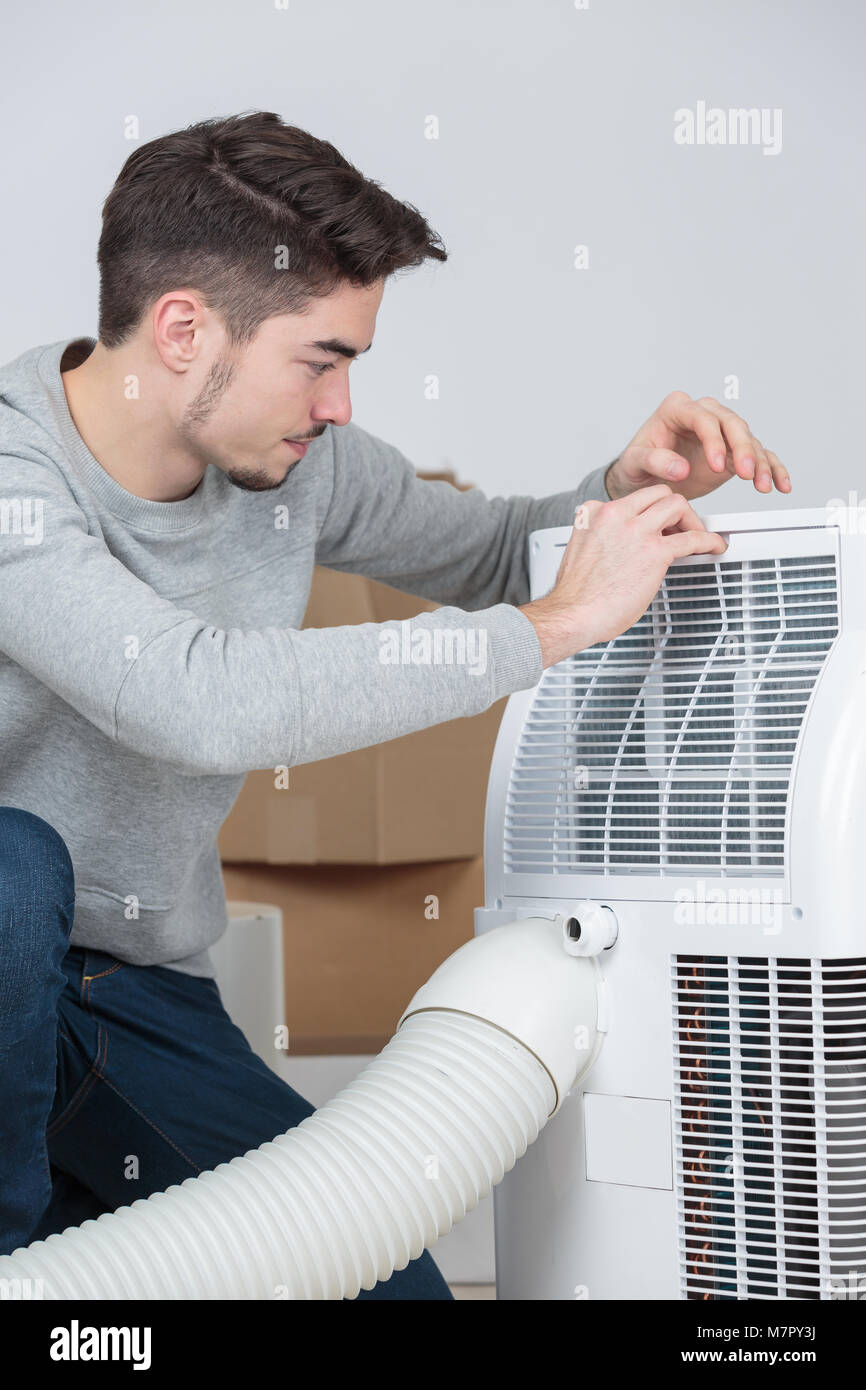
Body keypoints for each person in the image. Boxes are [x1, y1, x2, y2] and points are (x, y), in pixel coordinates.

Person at [0, 110, 790, 1296]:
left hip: (126, 989)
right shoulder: (15, 481)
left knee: (380, 1282)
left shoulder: (297, 472)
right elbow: (188, 696)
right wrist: (551, 629)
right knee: (13, 863)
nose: (340, 407)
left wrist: (616, 493)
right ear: (181, 331)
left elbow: (488, 553)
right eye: (321, 359)